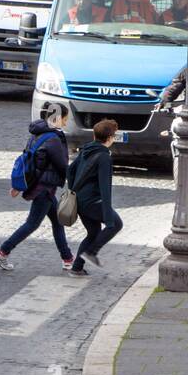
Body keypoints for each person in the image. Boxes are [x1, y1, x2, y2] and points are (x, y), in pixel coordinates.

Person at [0, 101, 75, 272]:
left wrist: (19, 185)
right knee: (32, 223)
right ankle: (3, 251)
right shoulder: (53, 139)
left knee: (57, 222)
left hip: (42, 187)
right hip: (44, 188)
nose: (66, 122)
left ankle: (67, 258)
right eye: (65, 119)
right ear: (57, 118)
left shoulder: (37, 135)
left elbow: (31, 163)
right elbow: (62, 166)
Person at [68, 118, 123, 276]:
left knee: (93, 233)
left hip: (79, 200)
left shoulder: (86, 150)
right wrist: (108, 216)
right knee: (116, 224)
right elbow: (105, 187)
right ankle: (91, 252)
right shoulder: (104, 157)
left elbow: (70, 170)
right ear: (110, 138)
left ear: (94, 136)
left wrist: (73, 190)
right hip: (92, 201)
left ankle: (77, 267)